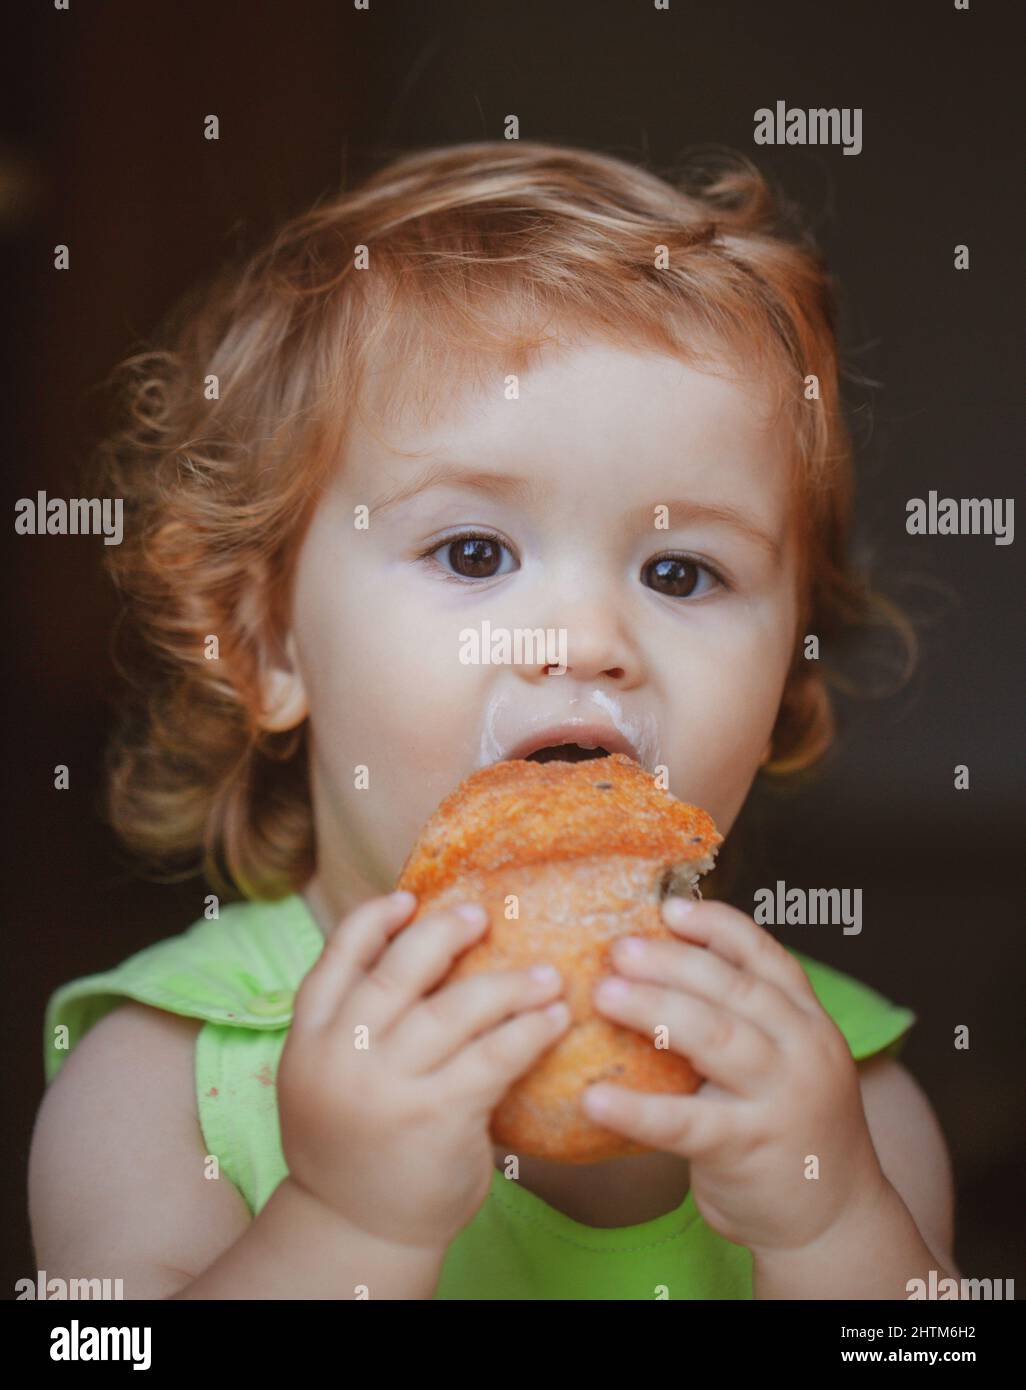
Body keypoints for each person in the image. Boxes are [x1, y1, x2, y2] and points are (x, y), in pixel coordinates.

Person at [28, 140, 958, 1299]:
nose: (587, 640)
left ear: (787, 689)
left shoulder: (848, 1098)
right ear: (268, 644)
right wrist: (343, 1226)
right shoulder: (160, 1079)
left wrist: (835, 1233)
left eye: (682, 573)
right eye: (475, 551)